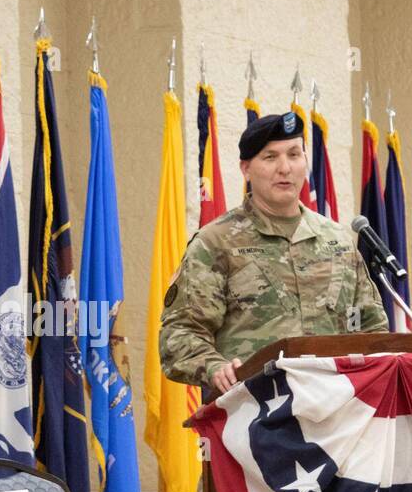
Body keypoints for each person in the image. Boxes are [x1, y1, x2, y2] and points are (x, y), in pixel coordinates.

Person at [160, 110, 388, 394]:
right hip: (253, 415)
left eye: (294, 154)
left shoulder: (338, 241)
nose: (285, 168)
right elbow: (179, 334)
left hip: (337, 413)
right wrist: (214, 367)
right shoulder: (215, 243)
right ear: (246, 169)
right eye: (270, 157)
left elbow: (369, 327)